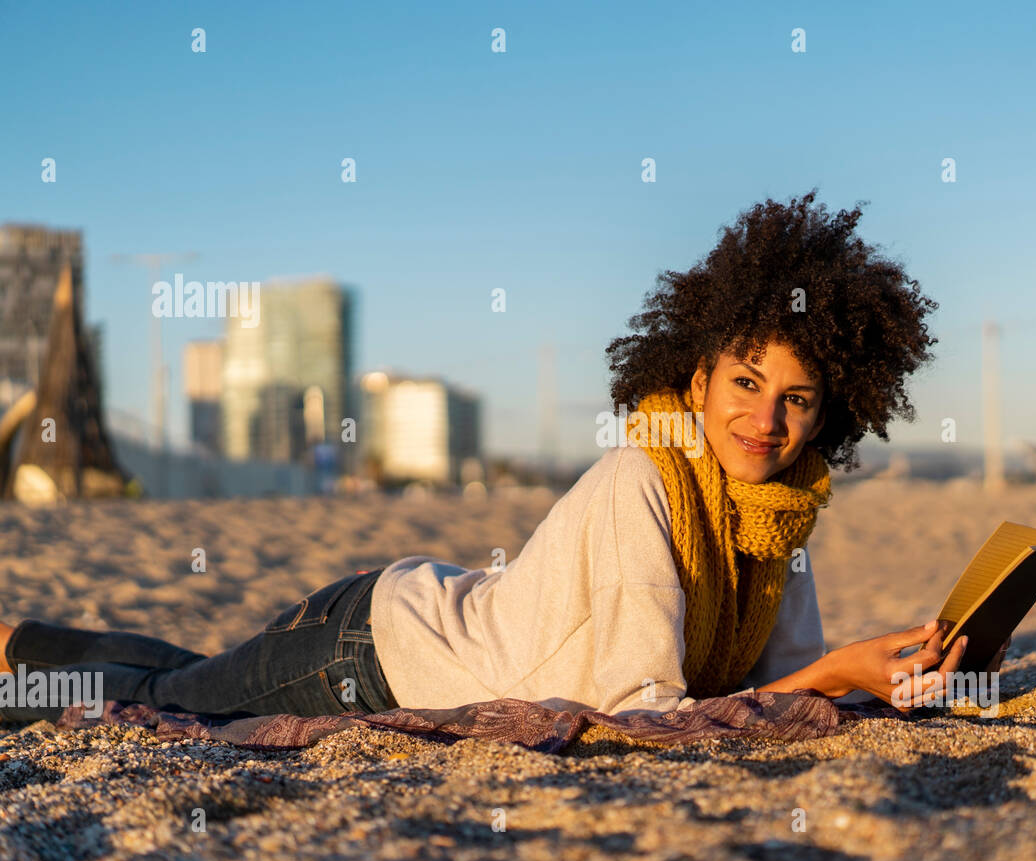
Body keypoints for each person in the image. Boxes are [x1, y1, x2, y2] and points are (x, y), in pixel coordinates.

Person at [0, 189, 983, 724]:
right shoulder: (643, 481)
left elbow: (789, 680)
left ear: (827, 416)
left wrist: (880, 671)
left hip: (394, 615)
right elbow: (639, 714)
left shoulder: (778, 520)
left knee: (201, 671)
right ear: (694, 381)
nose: (765, 418)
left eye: (796, 398)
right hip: (373, 651)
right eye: (744, 383)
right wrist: (829, 679)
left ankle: (19, 641)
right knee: (174, 704)